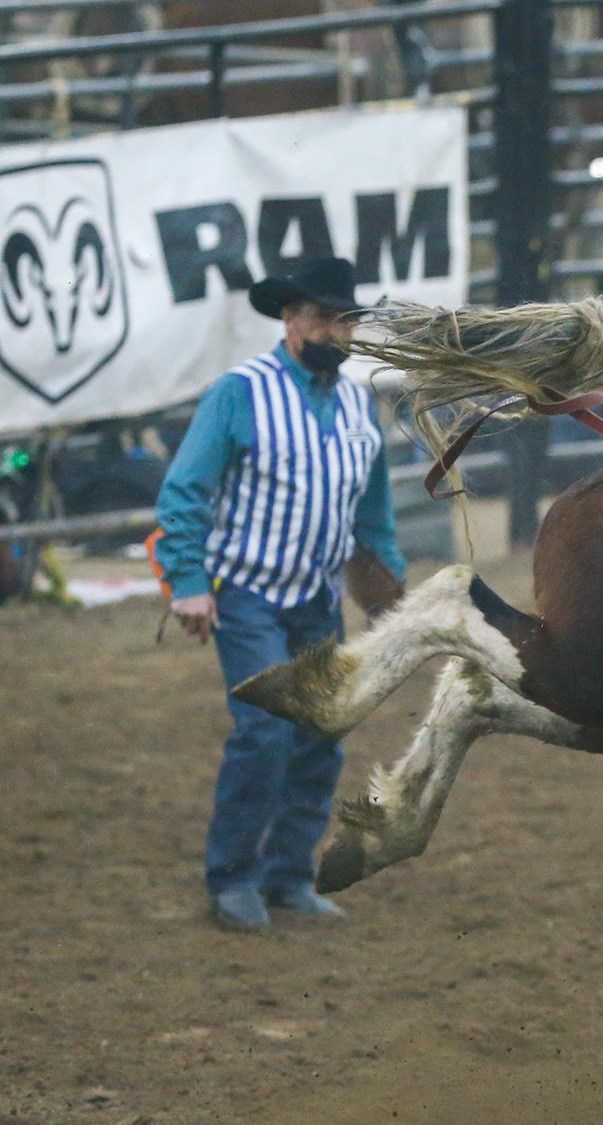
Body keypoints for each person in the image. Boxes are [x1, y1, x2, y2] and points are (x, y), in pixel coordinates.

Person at [155, 257, 407, 931]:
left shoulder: (359, 402)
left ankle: (288, 873)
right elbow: (185, 489)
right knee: (266, 730)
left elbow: (373, 512)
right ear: (290, 319)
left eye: (345, 319)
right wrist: (186, 582)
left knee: (321, 732)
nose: (336, 329)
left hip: (316, 596)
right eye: (323, 316)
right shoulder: (239, 392)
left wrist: (390, 592)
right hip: (245, 591)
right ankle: (233, 877)